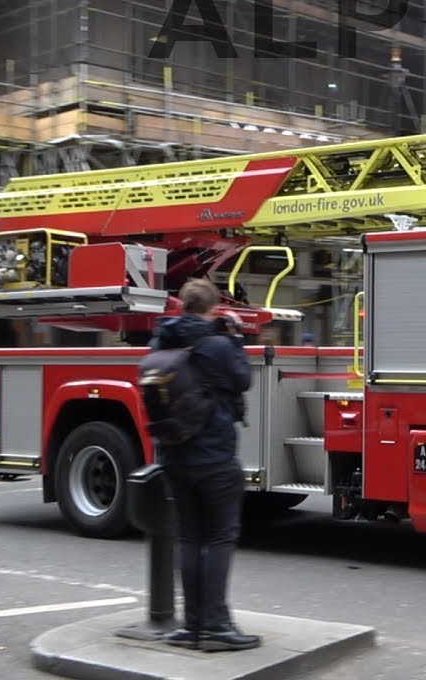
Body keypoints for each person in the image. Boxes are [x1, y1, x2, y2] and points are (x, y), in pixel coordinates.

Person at [149, 278, 260, 652]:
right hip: (214, 457)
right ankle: (215, 625)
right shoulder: (219, 344)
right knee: (220, 538)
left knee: (189, 538)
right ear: (213, 307)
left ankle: (192, 625)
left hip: (174, 455)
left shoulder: (162, 338)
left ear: (182, 305)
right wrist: (234, 340)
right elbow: (243, 381)